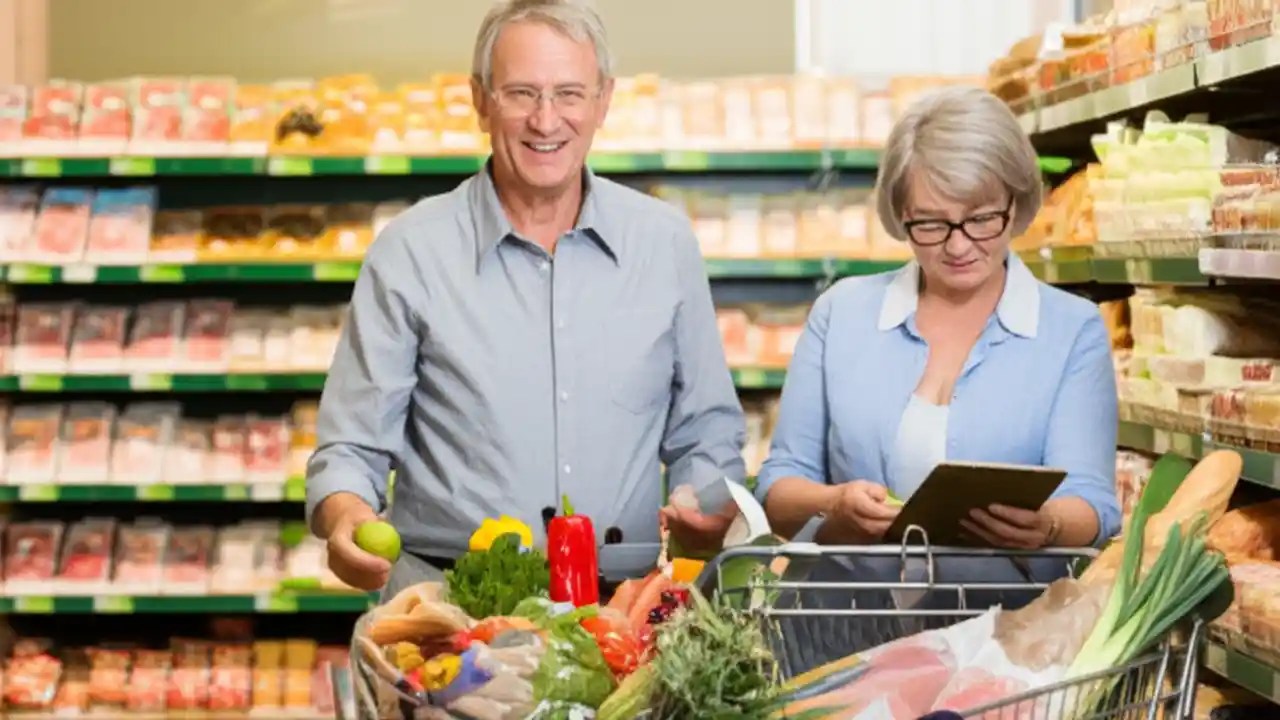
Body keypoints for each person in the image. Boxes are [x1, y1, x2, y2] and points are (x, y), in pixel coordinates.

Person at [305, 0, 746, 597]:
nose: (546, 121)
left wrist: (706, 500)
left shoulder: (663, 244)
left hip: (624, 603)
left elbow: (707, 431)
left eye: (569, 93)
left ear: (603, 101)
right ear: (481, 99)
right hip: (451, 600)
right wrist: (346, 516)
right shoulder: (410, 251)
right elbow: (352, 445)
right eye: (521, 93)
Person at [752, 86, 1121, 672]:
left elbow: (1095, 504)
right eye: (930, 224)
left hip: (1005, 648)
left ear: (1016, 201)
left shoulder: (1070, 329)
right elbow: (779, 488)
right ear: (900, 215)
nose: (958, 246)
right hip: (837, 636)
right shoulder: (842, 315)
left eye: (981, 219)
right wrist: (836, 505)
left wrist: (1044, 524)